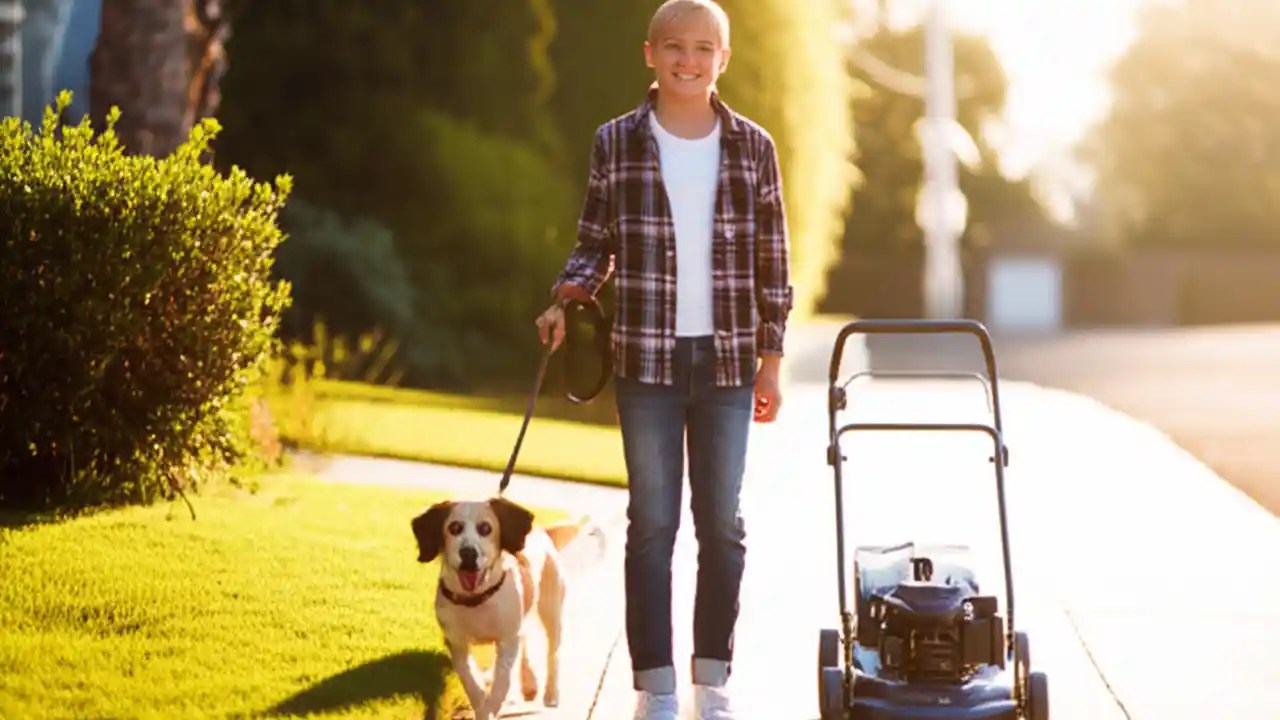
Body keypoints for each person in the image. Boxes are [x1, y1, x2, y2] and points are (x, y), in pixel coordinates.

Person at [535, 1, 792, 717]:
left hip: (730, 362)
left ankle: (713, 682)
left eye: (704, 48)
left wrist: (771, 359)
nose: (689, 59)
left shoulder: (753, 148)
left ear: (723, 60)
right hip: (644, 359)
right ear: (650, 54)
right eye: (674, 47)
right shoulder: (616, 142)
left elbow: (774, 257)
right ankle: (657, 689)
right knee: (651, 527)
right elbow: (595, 241)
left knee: (723, 526)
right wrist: (569, 296)